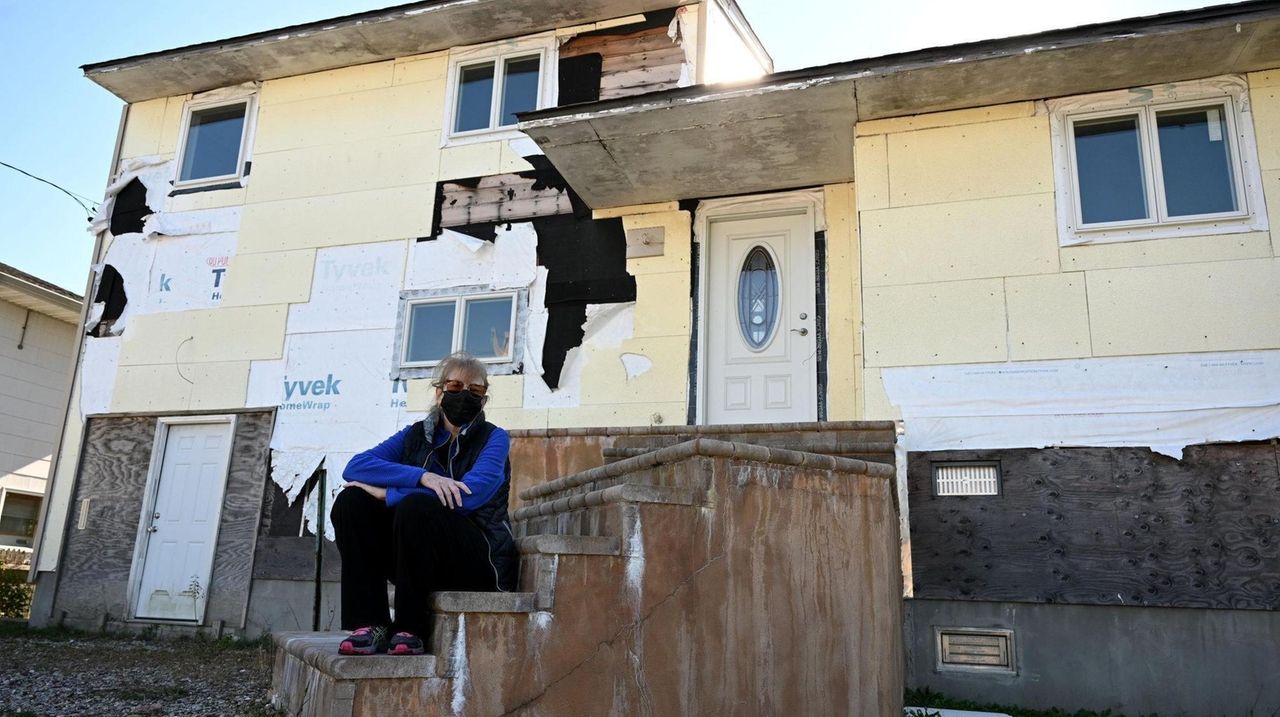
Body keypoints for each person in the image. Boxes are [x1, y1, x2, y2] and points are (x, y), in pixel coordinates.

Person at [330, 352, 517, 656]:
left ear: (483, 399)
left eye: (475, 390)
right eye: (455, 387)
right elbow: (356, 467)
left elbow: (469, 496)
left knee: (416, 506)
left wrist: (387, 494)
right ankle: (370, 622)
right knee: (351, 500)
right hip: (418, 556)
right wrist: (422, 477)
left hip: (478, 560)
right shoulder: (415, 435)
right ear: (439, 392)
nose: (464, 396)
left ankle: (409, 628)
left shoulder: (494, 438)